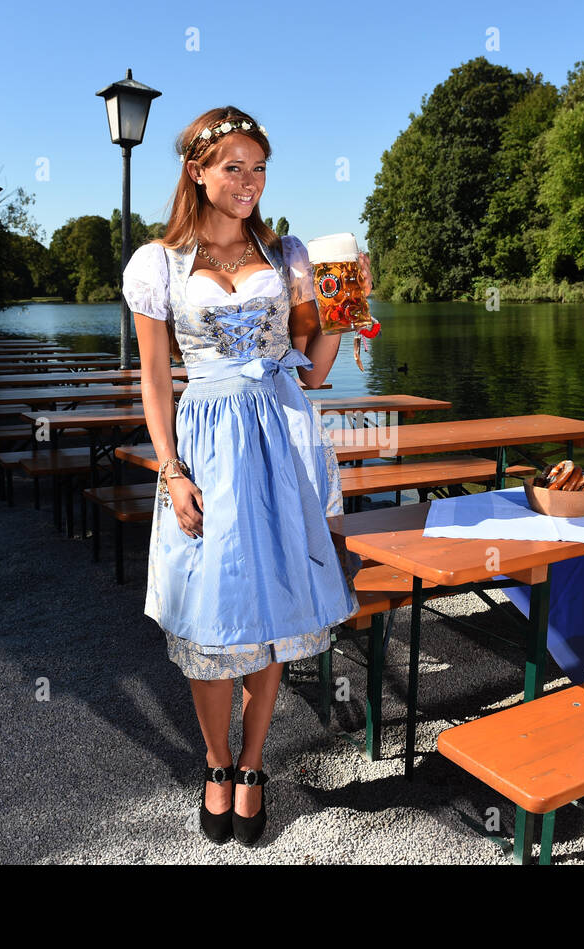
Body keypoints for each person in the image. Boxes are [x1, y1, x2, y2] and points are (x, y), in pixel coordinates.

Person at [121, 106, 369, 848]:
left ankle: (255, 762)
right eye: (234, 167)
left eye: (259, 168)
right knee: (211, 612)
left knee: (274, 611)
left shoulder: (287, 254)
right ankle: (217, 759)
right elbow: (155, 379)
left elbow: (314, 370)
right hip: (206, 443)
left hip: (283, 435)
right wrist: (170, 469)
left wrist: (345, 313)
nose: (250, 182)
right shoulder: (158, 264)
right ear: (196, 170)